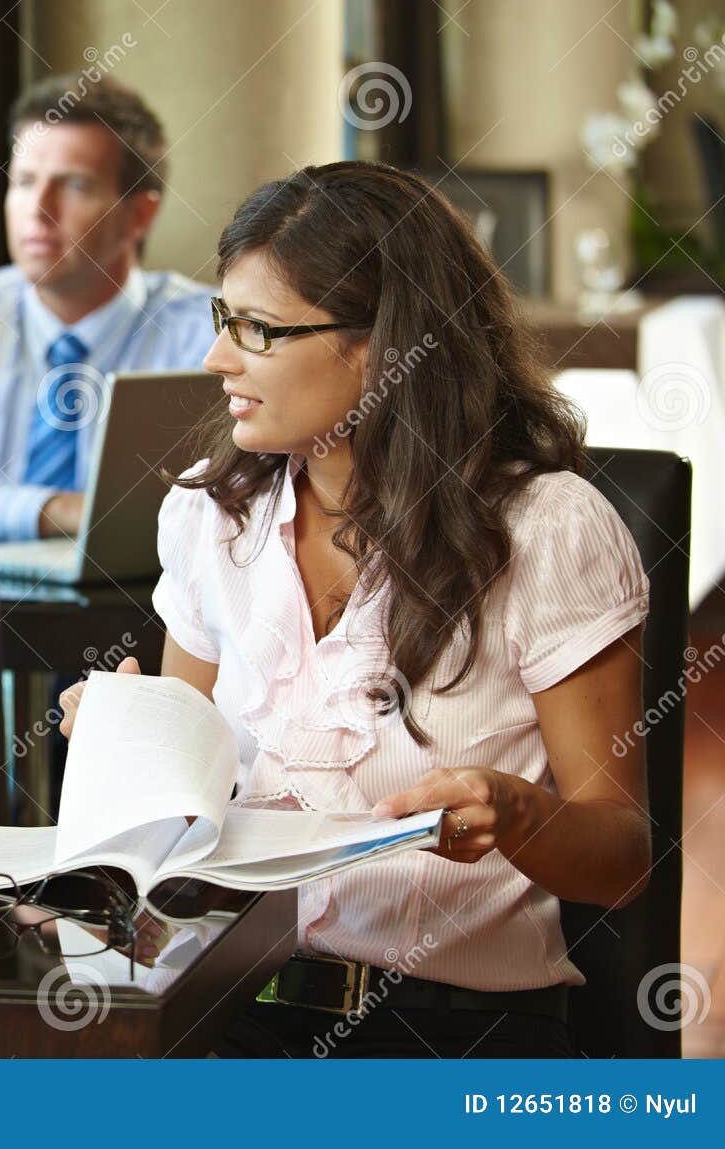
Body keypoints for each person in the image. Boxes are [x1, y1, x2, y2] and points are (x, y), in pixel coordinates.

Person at [59, 161, 651, 1058]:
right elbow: (188, 832)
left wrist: (519, 816)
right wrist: (133, 744)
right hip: (228, 1007)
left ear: (386, 345)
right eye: (226, 320)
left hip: (455, 1031)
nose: (219, 358)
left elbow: (623, 855)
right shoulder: (209, 514)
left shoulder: (550, 530)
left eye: (258, 329)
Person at [0, 73, 216, 542]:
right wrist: (56, 511)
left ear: (141, 215)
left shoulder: (210, 338)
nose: (39, 209)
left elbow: (243, 502)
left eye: (74, 186)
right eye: (25, 182)